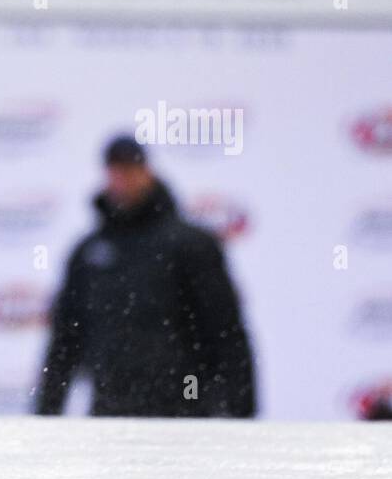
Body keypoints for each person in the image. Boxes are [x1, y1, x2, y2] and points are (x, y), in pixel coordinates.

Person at [35, 136, 256, 418]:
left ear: (147, 171)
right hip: (110, 412)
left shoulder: (191, 244)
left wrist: (242, 414)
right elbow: (65, 339)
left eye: (130, 169)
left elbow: (226, 332)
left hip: (186, 408)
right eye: (115, 170)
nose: (123, 179)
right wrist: (46, 413)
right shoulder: (89, 252)